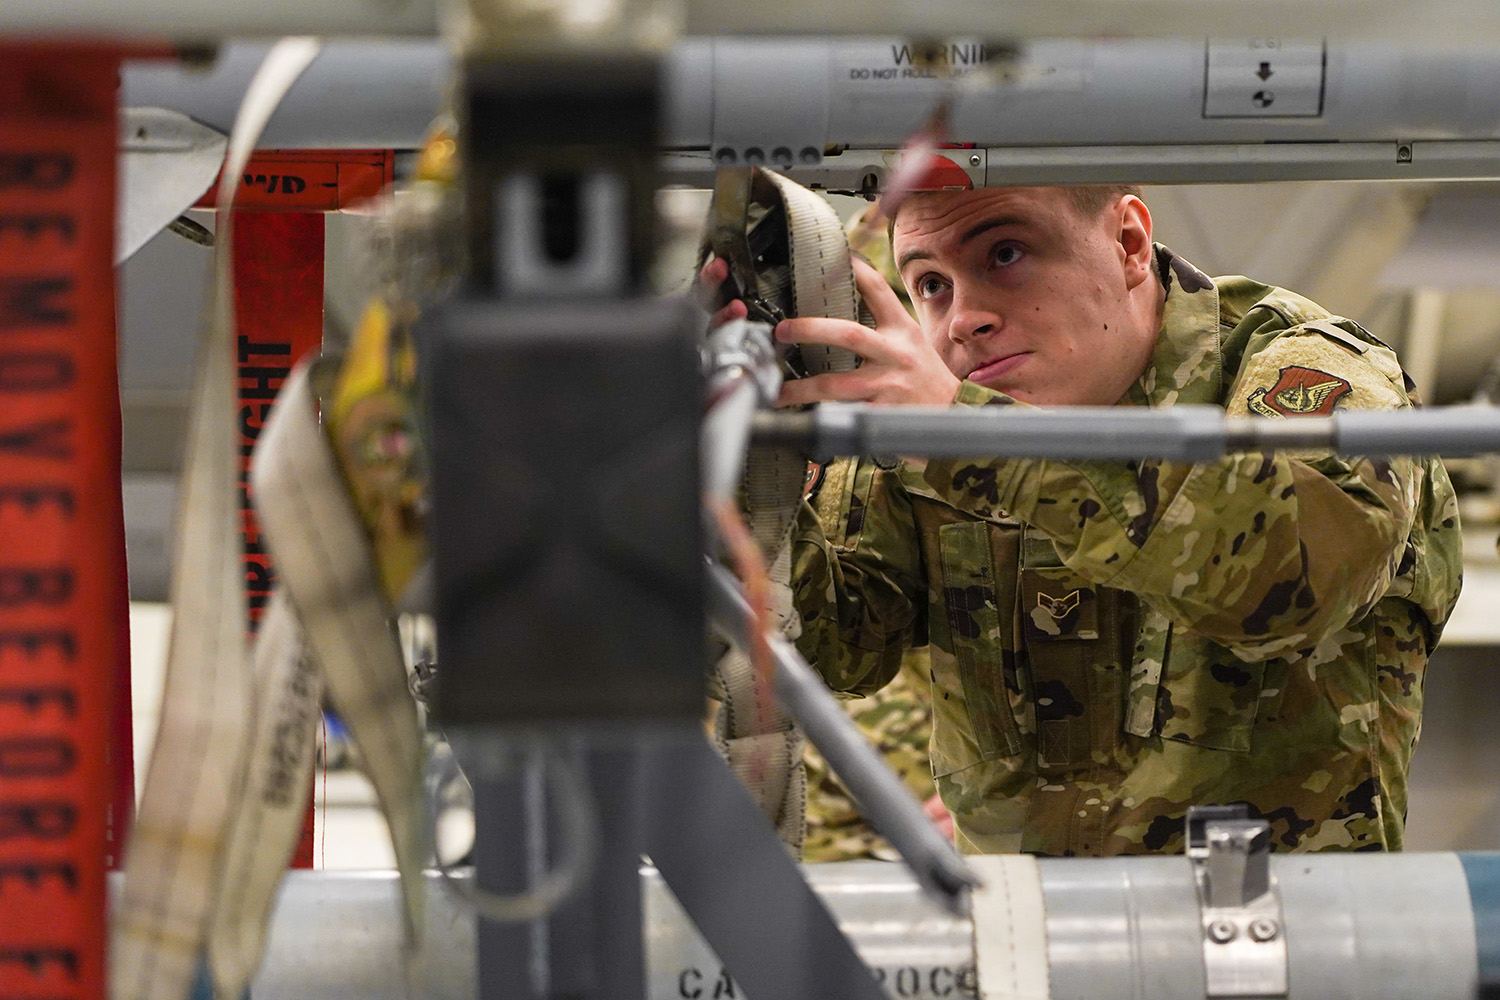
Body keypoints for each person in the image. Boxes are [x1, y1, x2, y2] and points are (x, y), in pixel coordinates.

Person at [708, 182, 1463, 855]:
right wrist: (735, 467)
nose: (963, 319)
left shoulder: (1300, 368)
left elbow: (1292, 578)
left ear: (1129, 242)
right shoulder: (934, 435)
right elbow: (836, 644)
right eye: (931, 284)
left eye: (1005, 254)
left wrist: (969, 434)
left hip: (1271, 946)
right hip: (1028, 948)